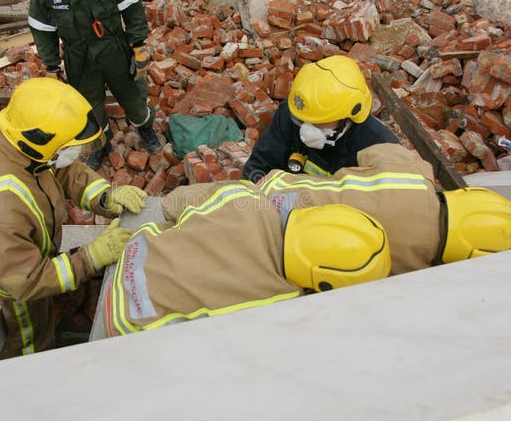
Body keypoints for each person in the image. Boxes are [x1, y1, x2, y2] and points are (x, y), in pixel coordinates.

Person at [0, 77, 148, 359]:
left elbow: (60, 167)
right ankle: (32, 378)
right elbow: (23, 282)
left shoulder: (10, 138)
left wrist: (104, 197)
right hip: (16, 279)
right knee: (31, 337)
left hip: (23, 254)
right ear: (36, 145)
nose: (75, 154)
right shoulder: (5, 206)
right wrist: (91, 258)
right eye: (69, 148)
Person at [163, 143, 511, 277]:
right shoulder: (417, 271)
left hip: (279, 193)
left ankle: (169, 210)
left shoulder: (412, 172)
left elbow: (370, 152)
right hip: (293, 254)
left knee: (190, 204)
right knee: (202, 247)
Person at [101, 180, 391, 336]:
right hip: (129, 326)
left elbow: (173, 203)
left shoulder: (248, 196)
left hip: (129, 251)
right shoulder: (281, 302)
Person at [28, 0, 162, 169]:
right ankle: (102, 144)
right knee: (89, 105)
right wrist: (52, 66)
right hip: (79, 57)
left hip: (114, 48)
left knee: (133, 96)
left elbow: (131, 7)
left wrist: (138, 44)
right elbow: (42, 28)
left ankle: (145, 127)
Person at [242, 55, 399, 182]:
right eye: (302, 120)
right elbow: (258, 166)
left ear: (348, 117)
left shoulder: (378, 147)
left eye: (318, 123)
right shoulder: (291, 114)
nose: (306, 128)